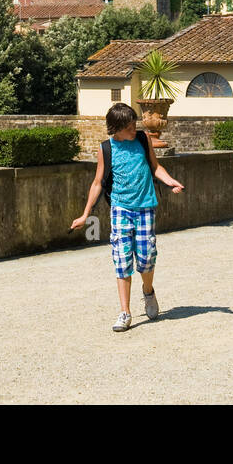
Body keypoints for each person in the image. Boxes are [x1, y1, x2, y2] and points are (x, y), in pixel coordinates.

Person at [71, 102, 184, 332]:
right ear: (116, 128)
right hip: (120, 209)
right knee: (122, 261)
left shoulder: (143, 140)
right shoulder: (106, 149)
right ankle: (125, 312)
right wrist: (85, 215)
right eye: (130, 126)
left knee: (146, 258)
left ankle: (148, 291)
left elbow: (156, 167)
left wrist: (169, 180)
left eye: (135, 124)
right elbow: (97, 183)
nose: (135, 129)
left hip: (145, 207)